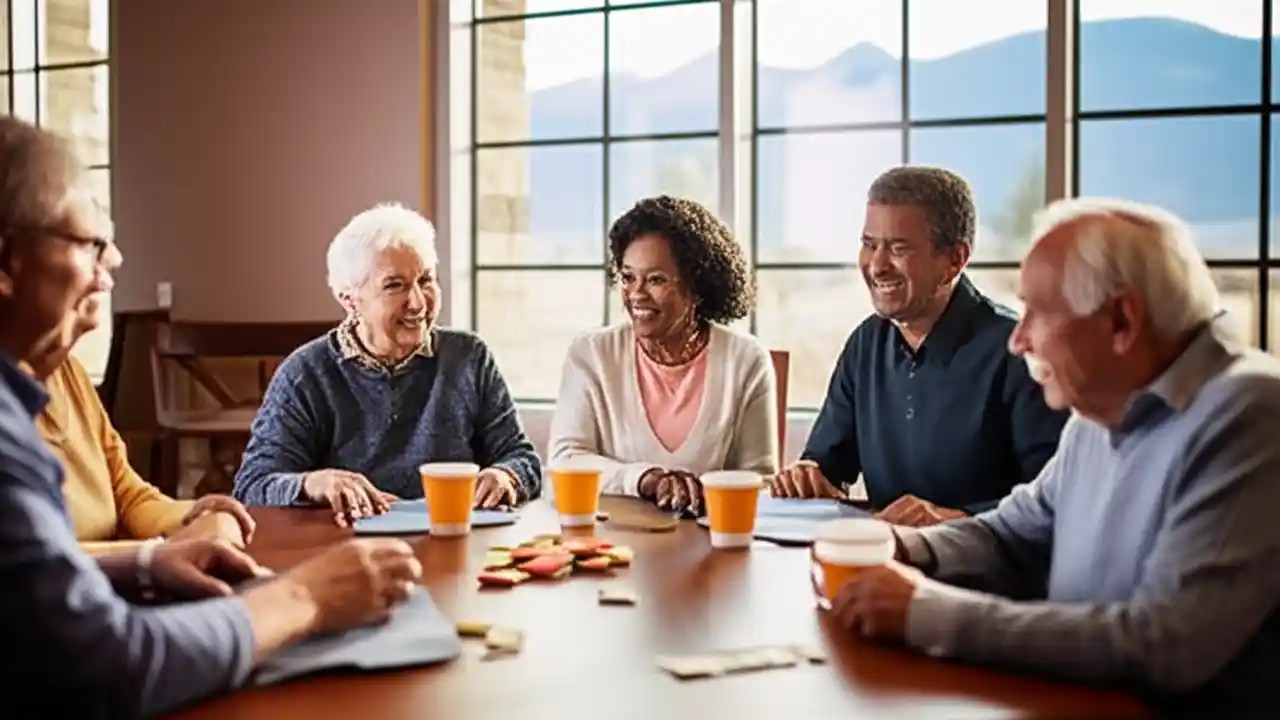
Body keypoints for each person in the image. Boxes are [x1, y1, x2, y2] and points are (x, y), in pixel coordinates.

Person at [0, 116, 423, 717]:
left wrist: (155, 554)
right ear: (7, 262)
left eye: (424, 281)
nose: (113, 260)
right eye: (90, 243)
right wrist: (304, 596)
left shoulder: (34, 384)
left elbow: (33, 577)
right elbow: (103, 665)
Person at [830, 198, 1280, 714]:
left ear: (1121, 322)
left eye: (1039, 314)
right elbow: (1011, 533)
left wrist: (928, 613)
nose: (1018, 341)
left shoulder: (1249, 413)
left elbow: (1165, 643)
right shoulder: (1100, 410)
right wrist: (907, 546)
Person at [770, 166, 1068, 526]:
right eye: (869, 244)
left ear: (955, 260)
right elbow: (828, 465)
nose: (877, 265)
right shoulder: (866, 343)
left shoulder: (1017, 353)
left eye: (898, 248)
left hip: (987, 573)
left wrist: (954, 519)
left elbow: (1057, 501)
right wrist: (808, 474)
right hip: (884, 562)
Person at [233, 202, 541, 526]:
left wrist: (506, 475)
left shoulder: (469, 358)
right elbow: (252, 485)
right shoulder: (306, 374)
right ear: (350, 299)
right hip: (348, 555)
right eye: (395, 285)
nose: (419, 303)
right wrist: (314, 484)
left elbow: (523, 459)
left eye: (426, 280)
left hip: (455, 542)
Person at [549, 195, 778, 515]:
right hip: (610, 544)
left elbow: (760, 480)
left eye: (656, 280)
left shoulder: (745, 360)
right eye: (628, 277)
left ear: (697, 287)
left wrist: (702, 494)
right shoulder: (591, 354)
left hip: (710, 550)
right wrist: (645, 479)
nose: (637, 294)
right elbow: (565, 460)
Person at [26, 284, 253, 552]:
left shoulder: (68, 371)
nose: (112, 260)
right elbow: (29, 560)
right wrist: (151, 557)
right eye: (89, 246)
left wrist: (197, 515)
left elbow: (130, 497)